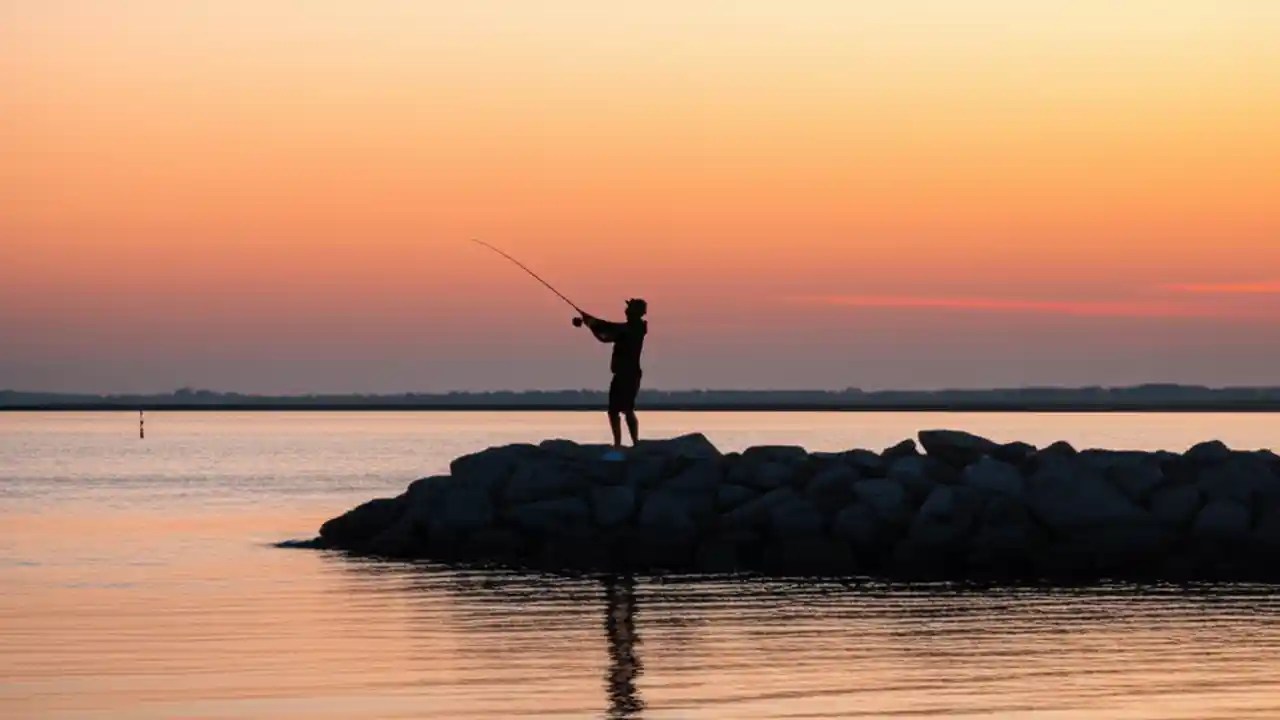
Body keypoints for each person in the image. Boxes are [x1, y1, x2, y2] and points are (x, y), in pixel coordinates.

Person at [579, 298, 648, 449]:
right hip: (621, 374)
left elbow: (607, 332)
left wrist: (591, 323)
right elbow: (605, 335)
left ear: (636, 312)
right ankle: (619, 443)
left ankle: (634, 443)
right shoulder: (630, 328)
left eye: (629, 309)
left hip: (629, 374)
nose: (626, 311)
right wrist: (590, 323)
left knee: (627, 409)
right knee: (613, 411)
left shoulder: (634, 328)